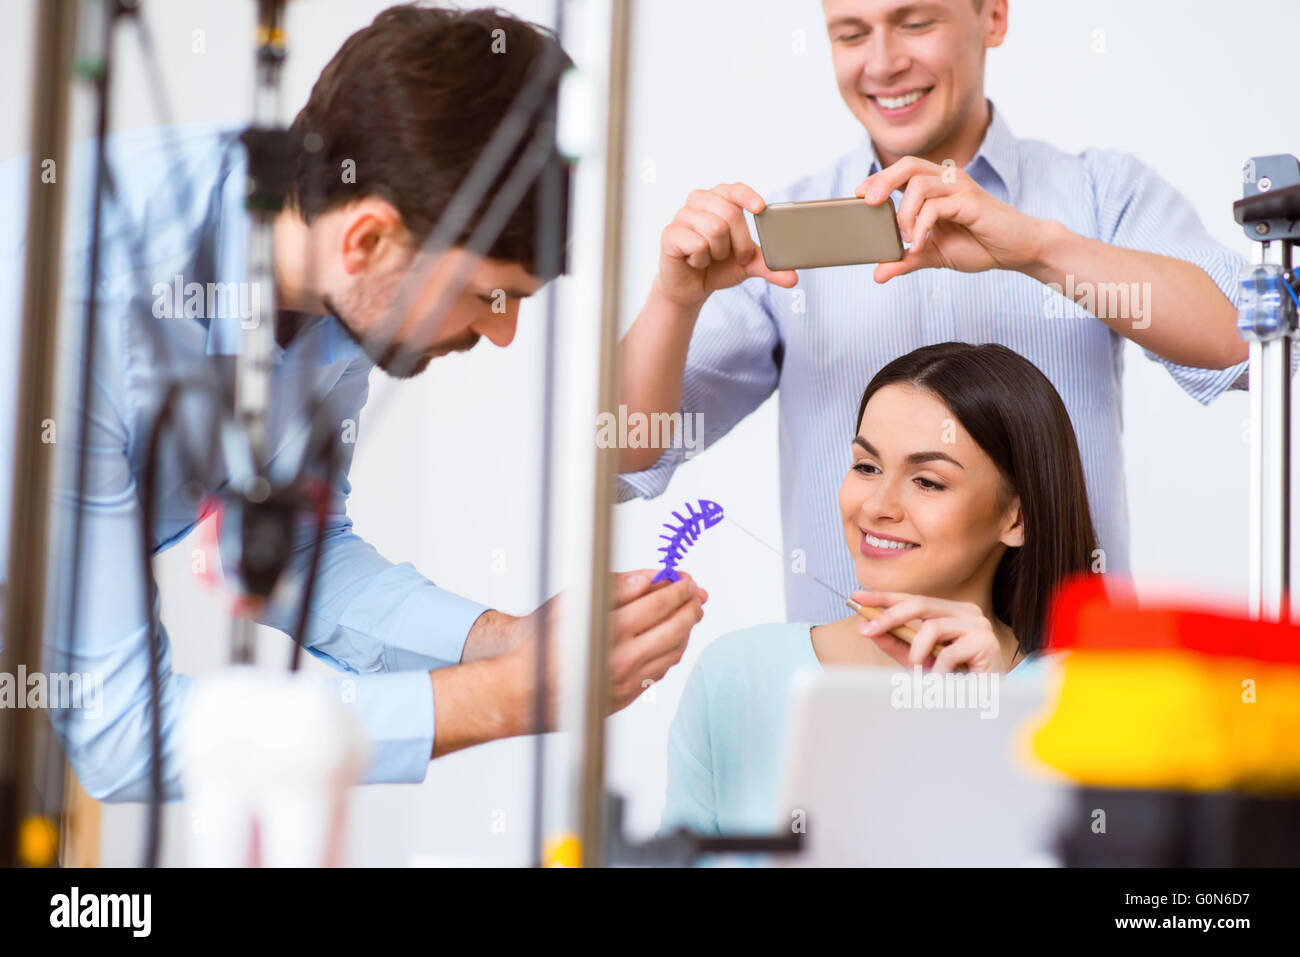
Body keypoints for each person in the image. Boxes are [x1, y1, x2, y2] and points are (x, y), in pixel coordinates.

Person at [1, 4, 707, 802]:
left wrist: (503, 643)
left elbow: (294, 553)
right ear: (367, 240)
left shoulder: (333, 274)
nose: (503, 336)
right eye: (490, 296)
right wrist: (503, 700)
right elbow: (123, 734)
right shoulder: (81, 298)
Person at [616, 0, 1249, 626]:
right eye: (851, 33)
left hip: (1066, 698)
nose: (884, 62)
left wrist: (1039, 250)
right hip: (852, 695)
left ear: (994, 18)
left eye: (916, 23)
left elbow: (1246, 341)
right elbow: (621, 450)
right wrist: (675, 301)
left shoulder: (1099, 194)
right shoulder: (775, 240)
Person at [660, 341, 1097, 835]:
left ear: (1016, 517)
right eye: (866, 467)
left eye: (928, 481)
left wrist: (994, 726)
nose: (878, 506)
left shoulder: (1079, 700)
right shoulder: (738, 674)